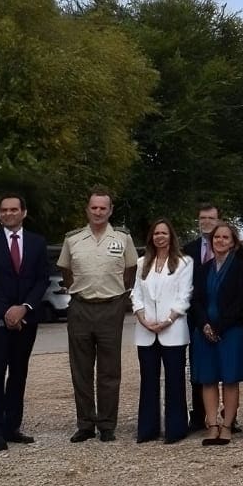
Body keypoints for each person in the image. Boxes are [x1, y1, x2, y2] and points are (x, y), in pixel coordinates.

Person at [58, 187, 139, 443]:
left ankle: (106, 424)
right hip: (80, 307)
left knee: (109, 369)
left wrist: (119, 295)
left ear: (110, 210)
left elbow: (130, 270)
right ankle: (85, 424)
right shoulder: (73, 240)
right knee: (80, 368)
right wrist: (77, 290)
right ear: (87, 209)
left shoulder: (122, 239)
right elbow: (66, 272)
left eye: (103, 208)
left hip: (111, 307)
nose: (98, 212)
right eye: (94, 207)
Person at [0, 193, 50, 451]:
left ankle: (12, 427)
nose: (8, 214)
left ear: (24, 212)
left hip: (26, 319)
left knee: (19, 373)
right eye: (3, 210)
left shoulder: (37, 243)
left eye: (13, 209)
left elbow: (42, 279)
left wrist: (24, 309)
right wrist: (8, 311)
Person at [190, 221, 243, 445]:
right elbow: (196, 299)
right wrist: (205, 324)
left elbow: (241, 299)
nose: (220, 241)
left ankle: (227, 425)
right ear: (211, 241)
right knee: (207, 380)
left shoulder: (239, 267)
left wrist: (220, 326)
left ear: (233, 242)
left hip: (230, 331)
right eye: (217, 237)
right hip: (204, 331)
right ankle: (212, 425)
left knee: (230, 379)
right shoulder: (203, 268)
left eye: (225, 238)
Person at [130, 219, 193, 444]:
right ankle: (148, 429)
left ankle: (175, 429)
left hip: (173, 330)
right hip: (145, 331)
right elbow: (136, 294)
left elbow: (184, 296)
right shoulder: (141, 263)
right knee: (148, 380)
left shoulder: (184, 263)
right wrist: (142, 317)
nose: (160, 236)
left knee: (175, 380)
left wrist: (167, 320)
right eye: (156, 233)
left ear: (171, 236)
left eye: (164, 233)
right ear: (151, 237)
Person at [182, 203, 229, 434]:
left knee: (227, 368)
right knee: (199, 367)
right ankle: (199, 416)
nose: (207, 222)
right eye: (203, 218)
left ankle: (229, 417)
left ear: (218, 219)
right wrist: (201, 320)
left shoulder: (232, 249)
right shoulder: (187, 250)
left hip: (225, 318)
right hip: (196, 317)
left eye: (211, 218)